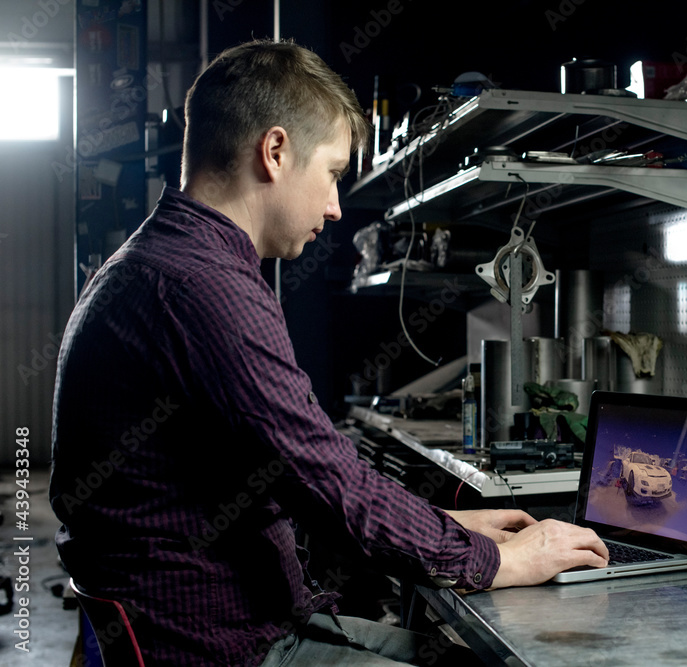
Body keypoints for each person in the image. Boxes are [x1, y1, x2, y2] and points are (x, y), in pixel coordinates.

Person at [48, 39, 608, 666]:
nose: (337, 207)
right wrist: (498, 561)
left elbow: (304, 469)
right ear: (276, 151)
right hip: (228, 650)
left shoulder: (163, 262)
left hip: (251, 624)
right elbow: (329, 483)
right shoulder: (201, 286)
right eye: (334, 172)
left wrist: (448, 527)